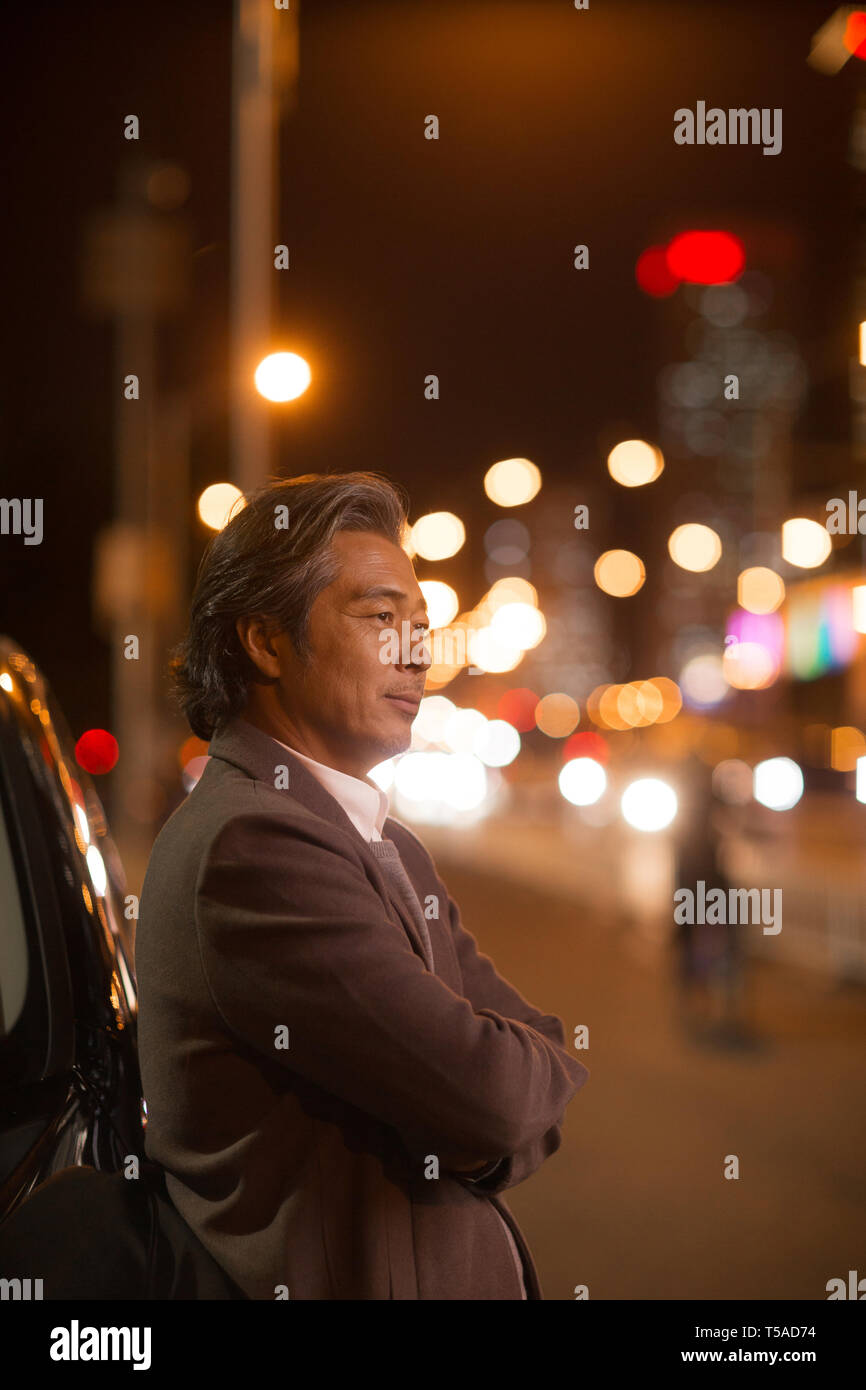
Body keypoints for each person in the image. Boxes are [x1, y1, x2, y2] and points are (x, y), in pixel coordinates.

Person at [135, 471, 589, 1300]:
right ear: (266, 642)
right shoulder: (255, 845)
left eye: (421, 624)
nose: (417, 652)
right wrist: (490, 1124)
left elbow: (537, 1056)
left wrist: (491, 1119)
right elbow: (492, 1096)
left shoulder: (385, 843)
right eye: (380, 618)